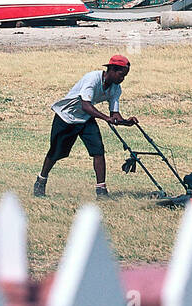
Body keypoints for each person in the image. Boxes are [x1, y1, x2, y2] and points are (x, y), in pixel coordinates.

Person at [34, 55, 137, 199]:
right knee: (56, 152)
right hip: (66, 116)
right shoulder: (92, 79)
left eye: (125, 76)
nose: (122, 79)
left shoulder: (115, 89)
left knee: (98, 150)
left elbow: (115, 114)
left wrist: (126, 122)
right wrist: (106, 118)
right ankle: (41, 180)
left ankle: (101, 190)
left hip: (85, 119)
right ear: (112, 70)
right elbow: (86, 105)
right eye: (121, 75)